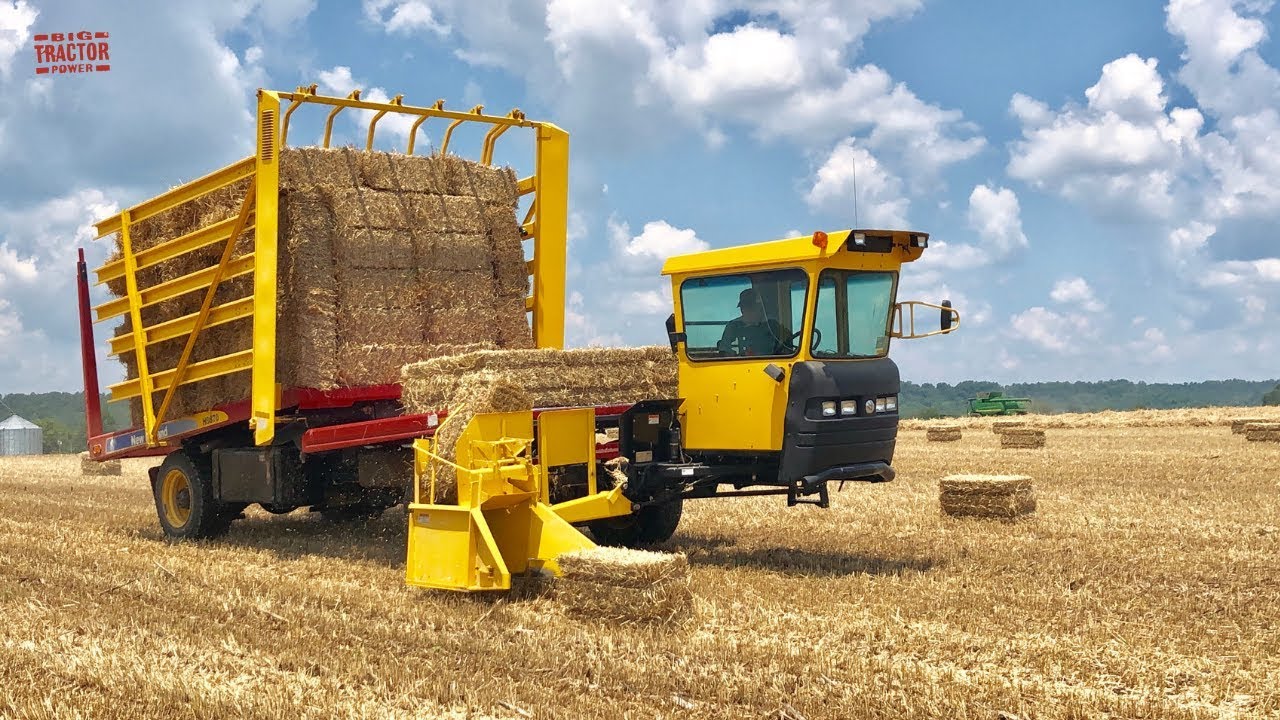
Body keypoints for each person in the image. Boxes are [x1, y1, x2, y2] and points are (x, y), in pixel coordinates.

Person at [717, 288, 791, 356]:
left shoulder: (772, 325)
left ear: (760, 307)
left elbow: (788, 344)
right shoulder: (733, 326)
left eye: (750, 306)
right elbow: (724, 351)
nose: (746, 310)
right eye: (743, 307)